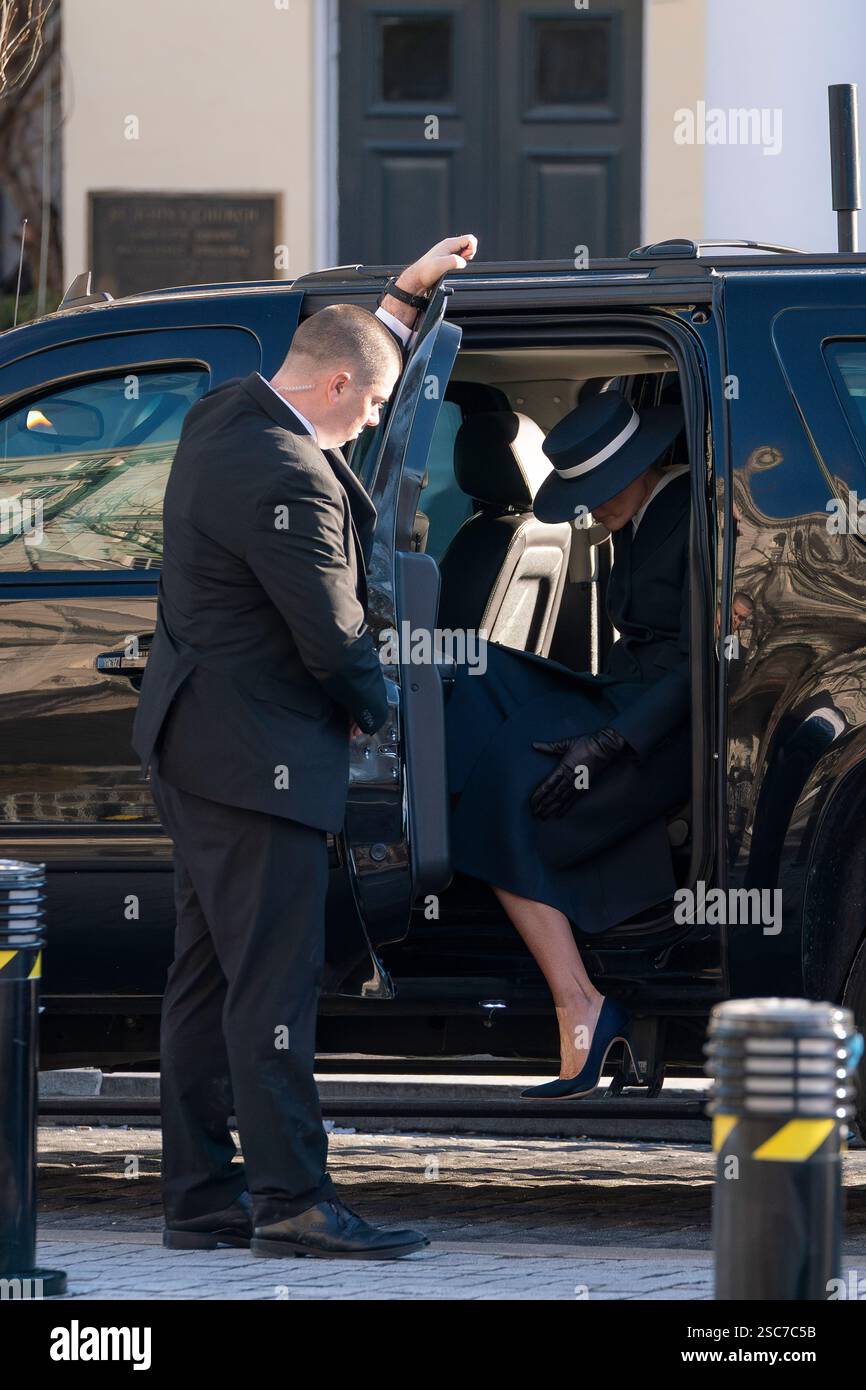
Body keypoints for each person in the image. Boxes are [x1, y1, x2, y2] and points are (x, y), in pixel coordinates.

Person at [133, 235, 478, 1259]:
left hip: (198, 751)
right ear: (332, 388)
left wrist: (401, 300)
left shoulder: (223, 414)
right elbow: (331, 637)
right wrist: (386, 708)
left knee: (207, 981)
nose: (373, 424)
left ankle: (201, 1197)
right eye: (371, 407)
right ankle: (290, 1199)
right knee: (271, 990)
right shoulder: (289, 473)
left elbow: (347, 355)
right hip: (258, 766)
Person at [445, 388, 691, 1098]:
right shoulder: (641, 512)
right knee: (473, 669)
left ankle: (579, 1001)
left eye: (602, 488)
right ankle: (440, 832)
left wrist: (611, 739)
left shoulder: (693, 513)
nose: (591, 507)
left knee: (508, 783)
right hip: (622, 694)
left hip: (662, 728)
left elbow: (704, 662)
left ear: (642, 466)